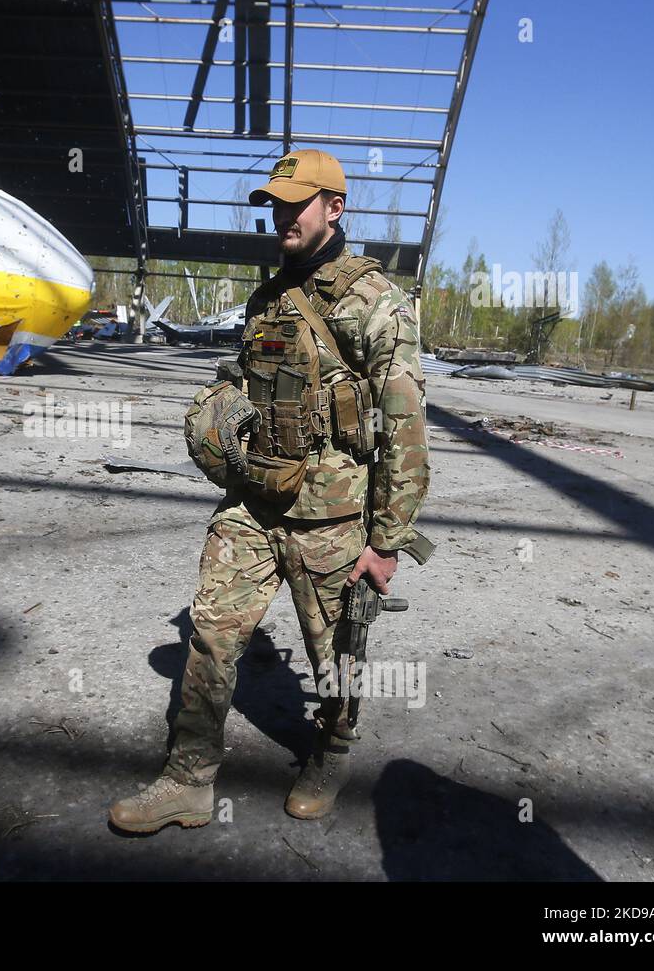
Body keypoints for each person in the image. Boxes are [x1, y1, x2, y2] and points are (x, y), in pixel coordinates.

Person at [109, 149, 431, 834]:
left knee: (336, 659)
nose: (282, 215)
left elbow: (405, 425)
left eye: (297, 203)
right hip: (254, 504)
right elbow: (248, 383)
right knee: (211, 636)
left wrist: (387, 541)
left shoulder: (373, 301)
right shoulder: (269, 297)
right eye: (277, 204)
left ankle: (333, 749)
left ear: (334, 207)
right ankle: (188, 778)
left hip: (333, 520)